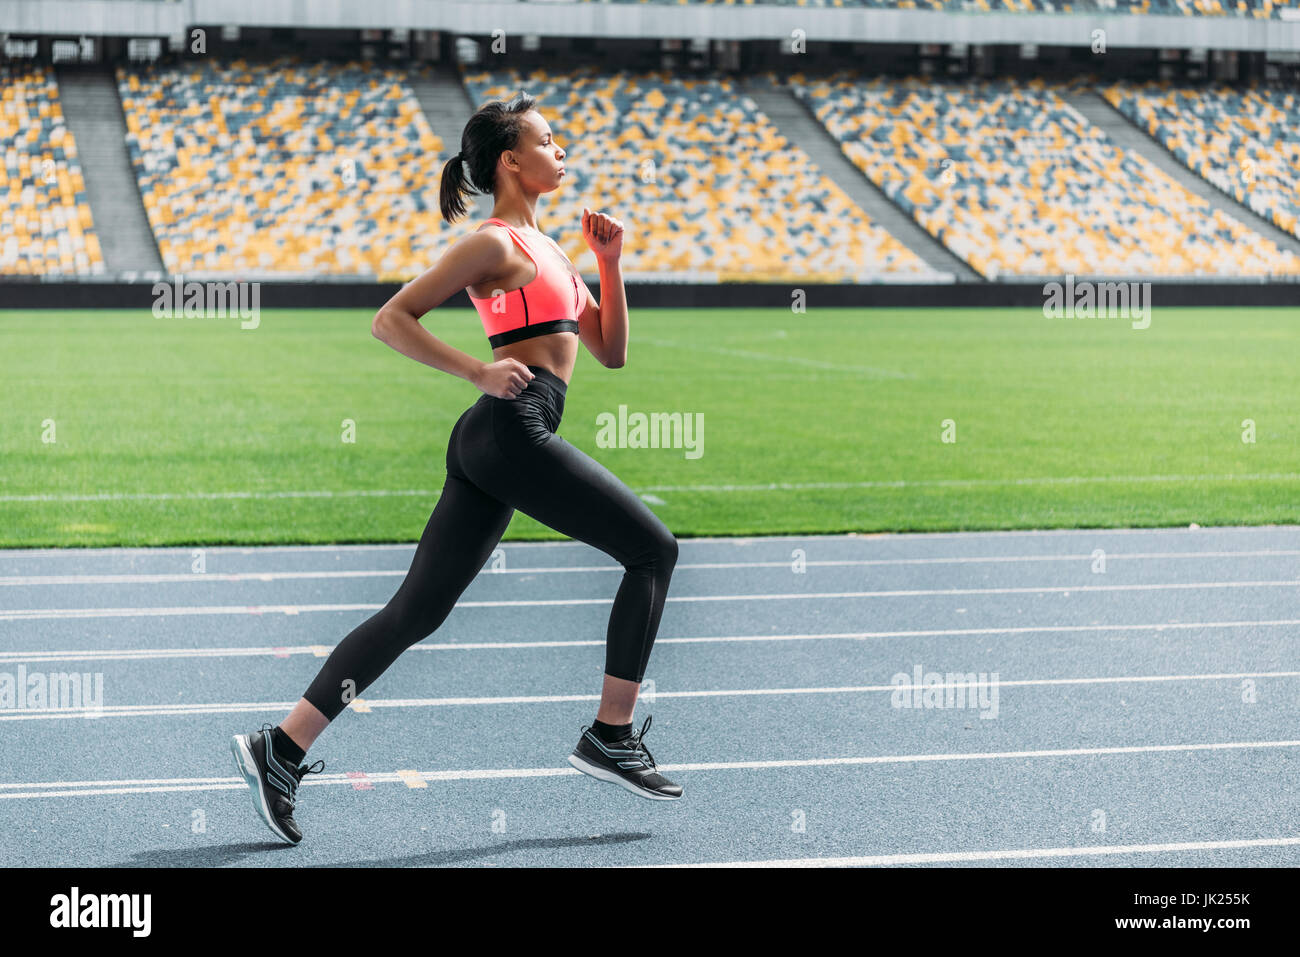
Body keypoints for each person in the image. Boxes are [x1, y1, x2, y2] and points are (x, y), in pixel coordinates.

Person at [229, 91, 682, 846]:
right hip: (510, 425)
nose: (561, 149)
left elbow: (611, 350)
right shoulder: (493, 243)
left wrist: (610, 263)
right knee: (653, 550)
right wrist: (477, 370)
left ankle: (281, 747)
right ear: (511, 161)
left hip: (499, 440)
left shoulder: (555, 250)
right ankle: (611, 732)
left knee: (417, 612)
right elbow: (391, 318)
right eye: (547, 139)